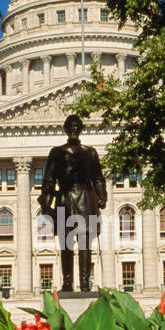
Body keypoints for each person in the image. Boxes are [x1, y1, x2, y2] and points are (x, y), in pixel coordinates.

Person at [38, 115, 107, 292]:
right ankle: (67, 283)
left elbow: (98, 177)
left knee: (85, 244)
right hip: (65, 198)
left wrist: (102, 196)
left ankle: (85, 284)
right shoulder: (57, 152)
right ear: (67, 129)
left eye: (77, 126)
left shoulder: (90, 152)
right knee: (66, 244)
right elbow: (49, 180)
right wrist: (46, 204)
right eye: (71, 126)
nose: (74, 129)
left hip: (86, 199)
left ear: (81, 129)